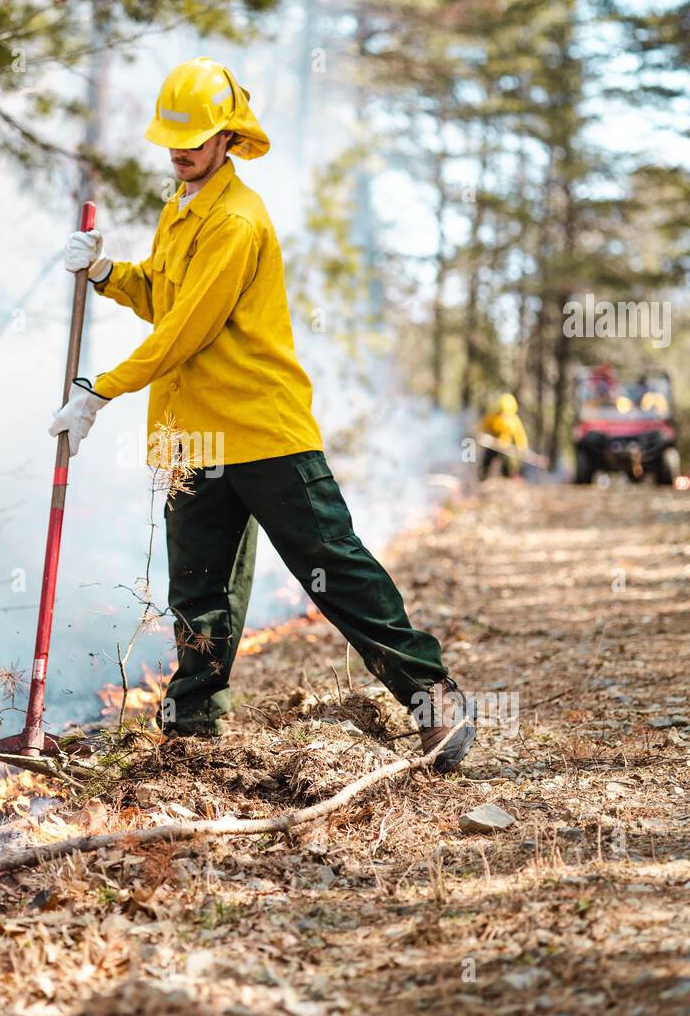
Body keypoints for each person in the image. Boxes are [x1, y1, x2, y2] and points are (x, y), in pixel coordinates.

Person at [49, 57, 475, 771]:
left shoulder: (238, 220)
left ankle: (435, 698)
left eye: (196, 136)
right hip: (194, 435)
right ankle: (190, 733)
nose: (181, 149)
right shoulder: (179, 206)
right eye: (172, 137)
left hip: (260, 428)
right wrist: (106, 274)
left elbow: (190, 328)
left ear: (227, 136)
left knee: (332, 567)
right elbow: (163, 296)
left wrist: (101, 389)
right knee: (198, 588)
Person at [477, 392, 529, 479]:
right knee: (486, 461)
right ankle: (483, 477)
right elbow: (483, 427)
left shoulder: (515, 421)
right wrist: (481, 435)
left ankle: (507, 479)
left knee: (508, 465)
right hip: (492, 444)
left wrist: (521, 447)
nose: (505, 416)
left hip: (506, 447)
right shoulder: (493, 416)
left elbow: (520, 436)